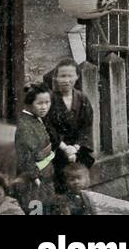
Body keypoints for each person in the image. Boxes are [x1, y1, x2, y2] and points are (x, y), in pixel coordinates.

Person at [44, 57, 94, 193]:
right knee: (60, 184)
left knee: (79, 183)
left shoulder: (82, 99)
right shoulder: (49, 100)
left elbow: (86, 126)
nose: (66, 80)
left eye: (70, 76)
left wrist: (76, 147)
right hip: (57, 149)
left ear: (77, 76)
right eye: (63, 76)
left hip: (78, 148)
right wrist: (65, 148)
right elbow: (48, 127)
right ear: (56, 78)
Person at [14, 82, 56, 215]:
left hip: (45, 176)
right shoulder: (25, 126)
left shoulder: (36, 119)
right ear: (29, 103)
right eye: (40, 103)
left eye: (47, 102)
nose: (44, 107)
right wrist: (35, 177)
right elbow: (25, 156)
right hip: (34, 180)